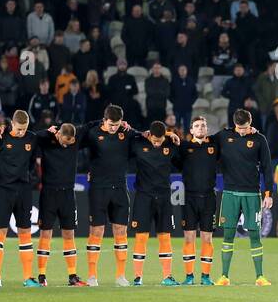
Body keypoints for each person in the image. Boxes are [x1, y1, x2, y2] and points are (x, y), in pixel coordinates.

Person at [79, 103, 138, 287]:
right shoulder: (92, 133)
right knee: (96, 231)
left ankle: (120, 276)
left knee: (121, 231)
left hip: (120, 188)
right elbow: (74, 138)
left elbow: (146, 137)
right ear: (104, 121)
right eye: (111, 124)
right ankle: (92, 276)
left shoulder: (126, 132)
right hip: (98, 188)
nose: (114, 128)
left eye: (117, 124)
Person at [215, 109, 274, 286]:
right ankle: (224, 276)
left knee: (255, 234)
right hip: (230, 193)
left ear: (251, 123)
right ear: (235, 124)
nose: (242, 131)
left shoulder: (259, 139)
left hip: (252, 194)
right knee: (228, 234)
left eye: (246, 127)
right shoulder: (224, 136)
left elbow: (267, 168)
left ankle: (260, 277)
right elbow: (204, 143)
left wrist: (268, 194)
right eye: (240, 128)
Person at [0, 110, 39, 287]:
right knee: (0, 232)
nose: (22, 132)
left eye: (24, 129)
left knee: (25, 232)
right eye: (19, 129)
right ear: (12, 124)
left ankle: (28, 278)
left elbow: (31, 163)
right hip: (4, 190)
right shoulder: (0, 136)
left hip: (23, 190)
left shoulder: (31, 138)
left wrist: (27, 176)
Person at [129, 120, 182, 286]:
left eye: (160, 140)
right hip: (143, 197)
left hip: (164, 197)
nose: (158, 144)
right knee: (141, 237)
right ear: (149, 135)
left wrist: (169, 135)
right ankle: (137, 277)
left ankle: (167, 276)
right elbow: (129, 133)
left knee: (165, 237)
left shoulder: (170, 145)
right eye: (155, 140)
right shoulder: (138, 143)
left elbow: (182, 162)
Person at [35, 122, 81, 286]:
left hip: (68, 194)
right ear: (59, 134)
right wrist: (47, 132)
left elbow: (92, 126)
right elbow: (33, 136)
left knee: (69, 234)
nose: (65, 144)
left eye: (69, 142)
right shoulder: (47, 140)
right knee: (45, 234)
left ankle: (72, 276)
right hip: (48, 193)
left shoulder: (74, 142)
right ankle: (41, 276)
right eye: (63, 140)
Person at [179, 116, 220, 285]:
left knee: (207, 238)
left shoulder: (214, 146)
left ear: (207, 129)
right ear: (191, 130)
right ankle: (189, 276)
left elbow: (229, 135)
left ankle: (205, 276)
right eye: (197, 126)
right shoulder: (184, 147)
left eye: (203, 126)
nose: (201, 128)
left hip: (209, 197)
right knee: (189, 237)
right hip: (189, 198)